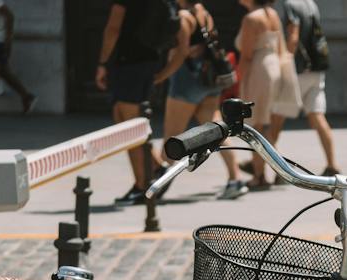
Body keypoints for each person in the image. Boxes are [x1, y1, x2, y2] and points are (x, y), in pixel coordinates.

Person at [162, 0, 249, 196]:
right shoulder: (204, 13)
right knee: (216, 130)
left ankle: (154, 185)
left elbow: (181, 51)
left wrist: (162, 75)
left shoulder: (185, 17)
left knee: (172, 136)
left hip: (187, 80)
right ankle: (235, 179)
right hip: (208, 80)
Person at [98, 1, 176, 205]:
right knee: (126, 122)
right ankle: (155, 170)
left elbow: (113, 28)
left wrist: (103, 63)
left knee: (129, 126)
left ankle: (142, 185)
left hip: (128, 62)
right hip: (147, 60)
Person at [237, 0, 299, 190]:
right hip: (274, 66)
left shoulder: (251, 18)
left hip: (259, 69)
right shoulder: (272, 14)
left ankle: (260, 175)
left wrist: (238, 80)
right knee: (265, 124)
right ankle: (278, 171)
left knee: (257, 125)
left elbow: (246, 55)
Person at [280, 0, 339, 170]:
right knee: (317, 116)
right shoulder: (310, 3)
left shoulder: (290, 4)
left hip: (298, 69)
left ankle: (270, 169)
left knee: (276, 118)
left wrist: (284, 62)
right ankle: (332, 163)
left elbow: (293, 36)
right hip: (316, 68)